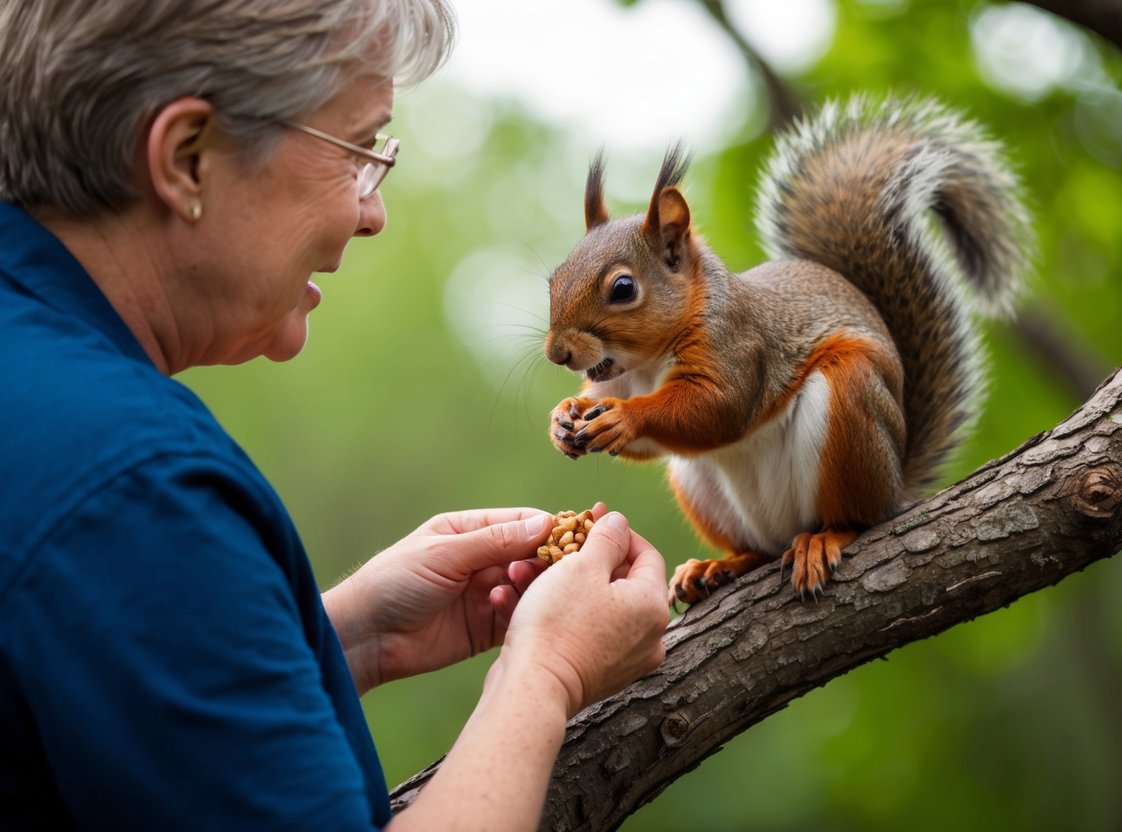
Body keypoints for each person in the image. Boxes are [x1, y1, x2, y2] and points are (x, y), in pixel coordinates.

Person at [0, 1, 670, 830]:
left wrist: (343, 638)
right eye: (357, 150)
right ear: (187, 159)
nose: (372, 210)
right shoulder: (134, 489)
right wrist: (547, 673)